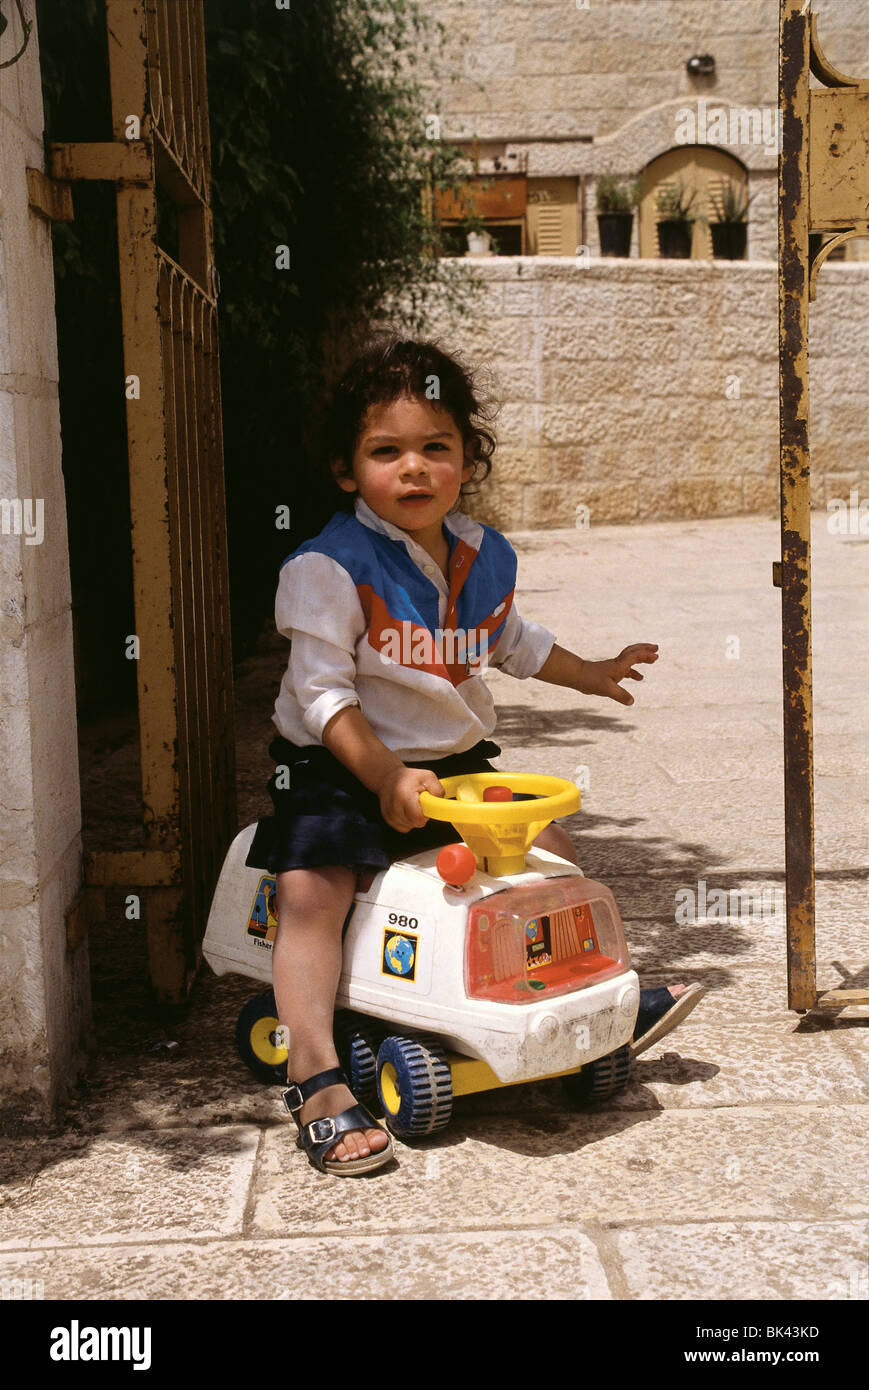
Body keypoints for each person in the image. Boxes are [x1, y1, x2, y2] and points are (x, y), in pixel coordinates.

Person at [246, 336, 704, 1177]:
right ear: (348, 472)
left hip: (452, 761)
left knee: (550, 860)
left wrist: (591, 672)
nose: (413, 469)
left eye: (435, 448)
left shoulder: (481, 554)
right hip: (342, 766)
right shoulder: (326, 567)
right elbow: (322, 698)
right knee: (315, 886)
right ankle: (312, 1070)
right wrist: (383, 776)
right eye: (386, 451)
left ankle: (590, 1003)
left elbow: (512, 642)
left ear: (466, 459)